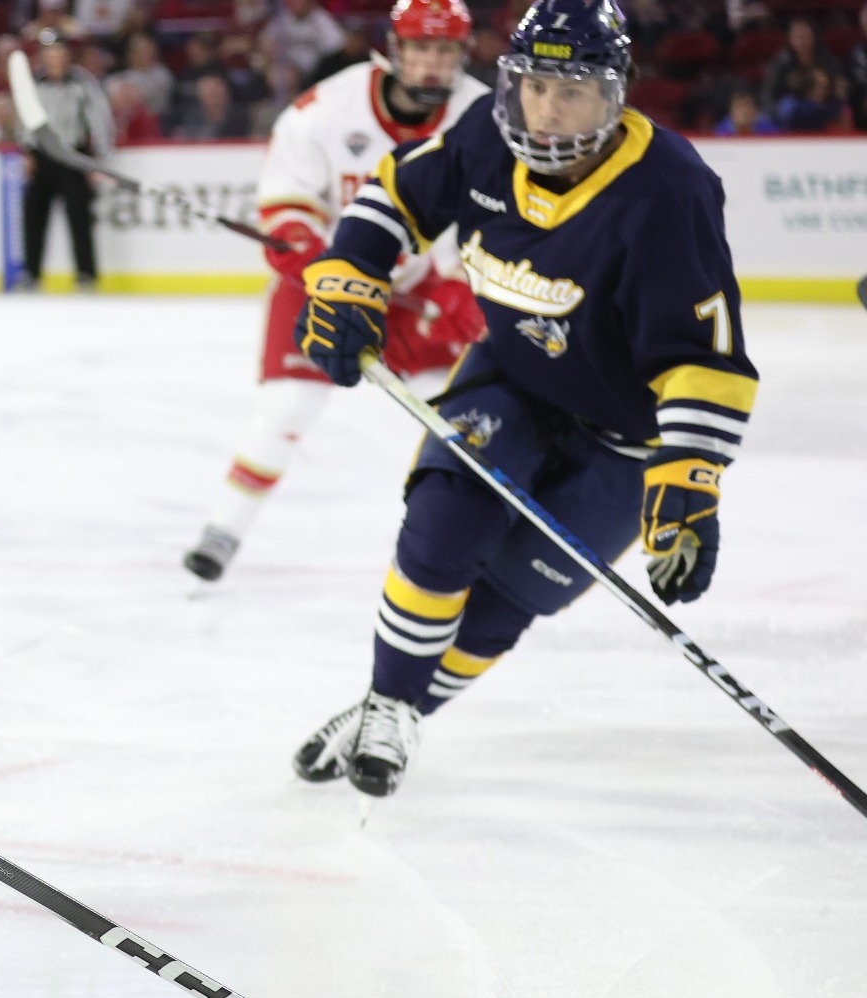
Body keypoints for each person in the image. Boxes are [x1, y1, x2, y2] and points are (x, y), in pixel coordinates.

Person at [288, 0, 758, 797]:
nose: (546, 110)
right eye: (535, 86)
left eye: (571, 92)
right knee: (441, 530)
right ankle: (390, 703)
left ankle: (393, 707)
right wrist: (349, 272)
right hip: (512, 382)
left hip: (627, 441)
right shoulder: (485, 134)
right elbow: (397, 191)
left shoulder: (669, 190)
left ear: (615, 95)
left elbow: (701, 358)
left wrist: (690, 474)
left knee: (508, 603)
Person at [182, 0, 488, 582]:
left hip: (420, 289)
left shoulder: (484, 117)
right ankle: (224, 529)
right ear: (394, 51)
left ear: (463, 54)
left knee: (456, 417)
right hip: (327, 283)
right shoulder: (325, 109)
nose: (431, 64)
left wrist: (461, 286)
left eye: (444, 51)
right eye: (421, 49)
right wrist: (302, 246)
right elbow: (288, 201)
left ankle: (467, 543)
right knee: (288, 406)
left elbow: (496, 217)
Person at [20, 28, 114, 291]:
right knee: (34, 216)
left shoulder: (82, 84)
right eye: (49, 53)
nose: (55, 58)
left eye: (59, 52)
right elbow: (26, 119)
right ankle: (32, 273)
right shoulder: (35, 84)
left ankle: (86, 274)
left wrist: (100, 158)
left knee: (79, 218)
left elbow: (99, 120)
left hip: (74, 156)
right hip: (43, 156)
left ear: (67, 55)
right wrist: (27, 151)